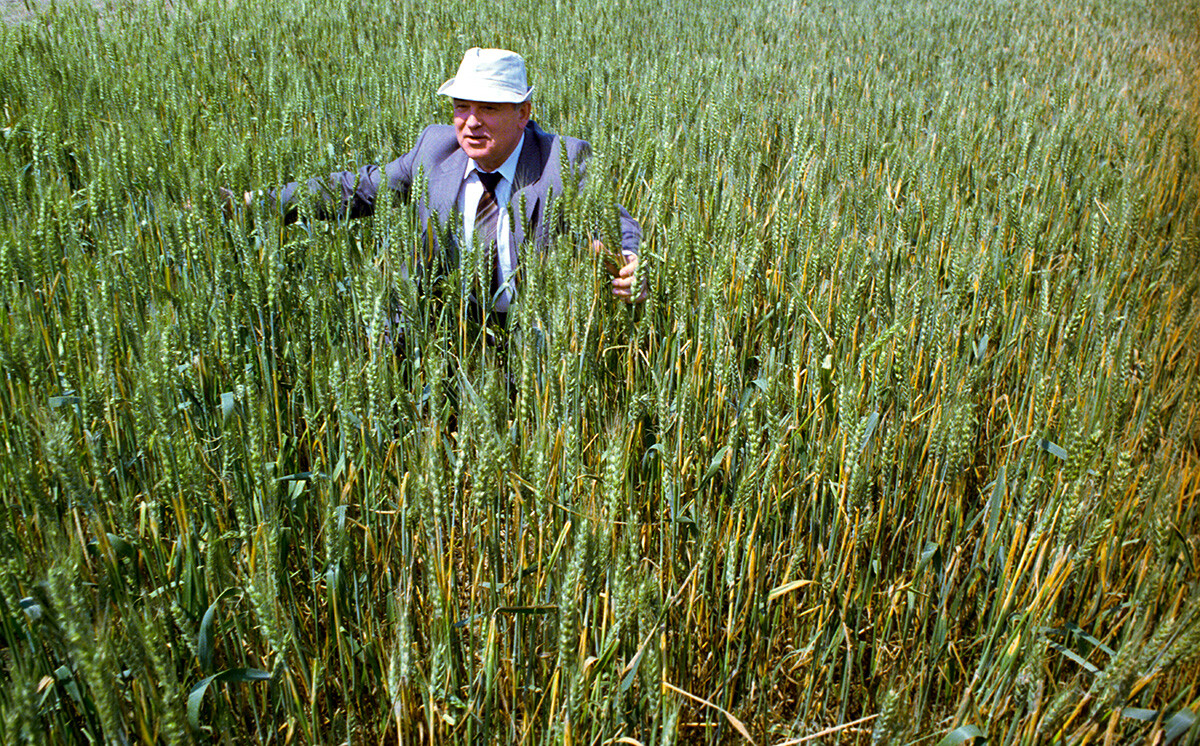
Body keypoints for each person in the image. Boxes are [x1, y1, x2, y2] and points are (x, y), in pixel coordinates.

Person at [237, 47, 645, 317]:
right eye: (461, 107)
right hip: (444, 330)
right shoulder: (435, 149)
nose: (471, 122)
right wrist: (259, 203)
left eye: (488, 107)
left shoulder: (563, 158)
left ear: (523, 113)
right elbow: (357, 190)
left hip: (532, 337)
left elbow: (615, 222)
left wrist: (631, 259)